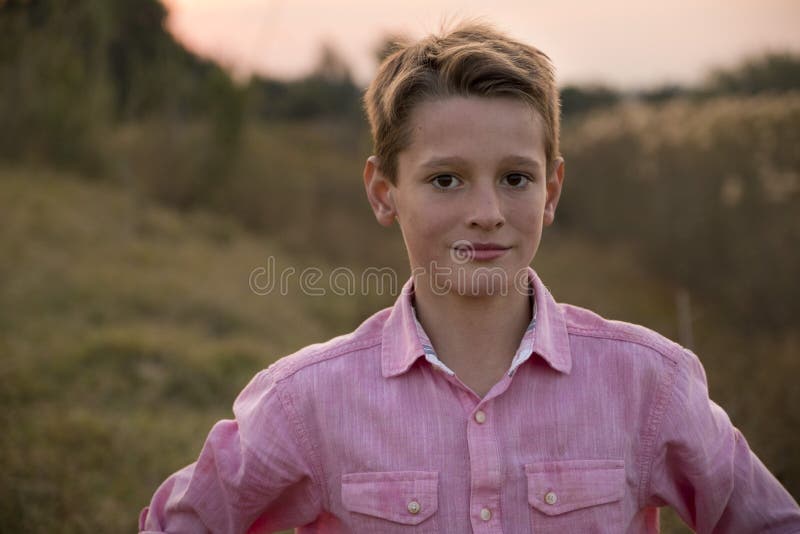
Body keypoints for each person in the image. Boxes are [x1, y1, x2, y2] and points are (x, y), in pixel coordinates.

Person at [139, 21, 800, 533]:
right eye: (445, 179)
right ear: (383, 191)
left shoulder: (648, 386)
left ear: (552, 189)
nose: (486, 214)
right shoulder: (307, 402)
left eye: (515, 178)